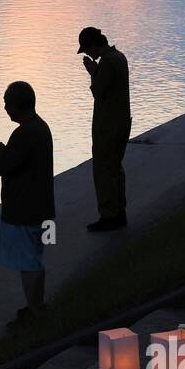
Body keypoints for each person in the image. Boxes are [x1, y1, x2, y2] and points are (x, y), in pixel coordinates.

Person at [0, 81, 55, 328]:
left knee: (28, 263)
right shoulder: (40, 127)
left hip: (25, 211)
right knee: (35, 259)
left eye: (7, 104)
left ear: (17, 105)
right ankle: (37, 305)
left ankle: (35, 311)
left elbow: (4, 167)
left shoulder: (25, 133)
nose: (5, 108)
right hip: (41, 208)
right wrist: (6, 154)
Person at [77, 27, 130, 232]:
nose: (88, 54)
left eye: (87, 49)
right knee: (115, 169)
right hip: (120, 122)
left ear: (93, 44)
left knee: (104, 171)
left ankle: (109, 215)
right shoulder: (119, 57)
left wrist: (93, 72)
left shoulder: (107, 62)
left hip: (109, 126)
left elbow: (99, 92)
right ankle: (118, 211)